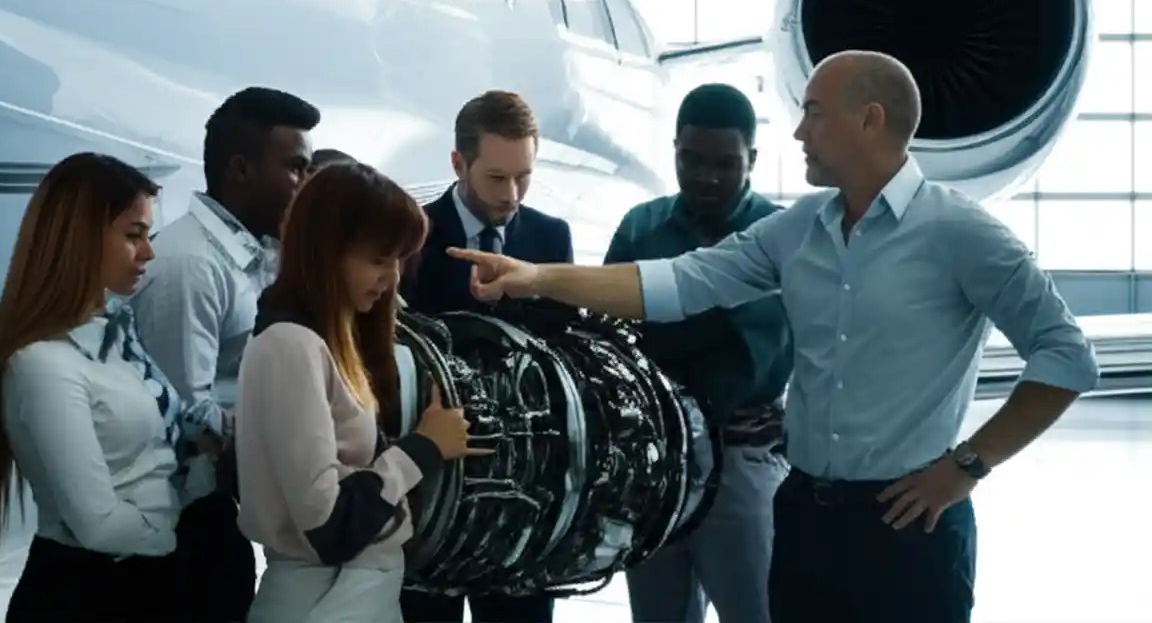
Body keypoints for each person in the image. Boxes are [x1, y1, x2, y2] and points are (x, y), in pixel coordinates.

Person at [445, 50, 1100, 623]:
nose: (798, 131)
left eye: (813, 113)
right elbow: (680, 282)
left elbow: (1066, 355)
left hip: (910, 522)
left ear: (870, 120)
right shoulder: (799, 228)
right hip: (807, 517)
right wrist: (536, 276)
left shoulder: (960, 233)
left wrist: (968, 466)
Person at [235, 162, 492, 623]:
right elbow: (328, 525)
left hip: (344, 594)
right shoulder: (292, 346)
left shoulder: (319, 341)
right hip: (325, 599)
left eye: (399, 261)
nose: (392, 278)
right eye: (378, 260)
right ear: (326, 253)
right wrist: (422, 449)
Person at [0, 153, 211, 622]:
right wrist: (175, 535)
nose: (149, 253)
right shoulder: (43, 365)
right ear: (80, 238)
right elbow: (97, 524)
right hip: (88, 592)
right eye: (134, 236)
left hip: (137, 579)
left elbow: (147, 470)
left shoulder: (115, 338)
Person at [605, 83, 792, 623]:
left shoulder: (781, 234)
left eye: (725, 163)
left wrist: (664, 328)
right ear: (674, 151)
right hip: (653, 464)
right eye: (692, 159)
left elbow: (752, 355)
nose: (707, 176)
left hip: (740, 462)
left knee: (755, 611)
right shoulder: (641, 226)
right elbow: (608, 337)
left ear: (752, 159)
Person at [130, 86, 319, 620]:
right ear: (241, 169)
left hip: (213, 516)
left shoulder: (255, 256)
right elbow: (182, 414)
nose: (306, 185)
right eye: (296, 169)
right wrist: (295, 436)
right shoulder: (191, 266)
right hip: (177, 531)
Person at [399, 90, 571, 623]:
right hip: (433, 494)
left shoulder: (550, 237)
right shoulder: (410, 237)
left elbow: (562, 355)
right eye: (497, 178)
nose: (512, 194)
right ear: (458, 163)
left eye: (524, 176)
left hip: (524, 500)